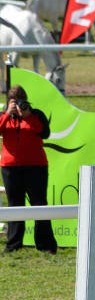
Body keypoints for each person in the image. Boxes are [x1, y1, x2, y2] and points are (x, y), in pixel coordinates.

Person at [0, 85, 57, 254]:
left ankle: (45, 245)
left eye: (20, 102)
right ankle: (13, 244)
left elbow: (45, 133)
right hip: (10, 167)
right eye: (13, 102)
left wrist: (27, 116)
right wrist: (6, 114)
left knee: (39, 204)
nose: (17, 106)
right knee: (15, 206)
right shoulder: (4, 116)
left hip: (36, 167)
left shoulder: (36, 114)